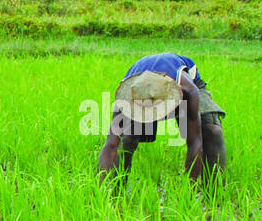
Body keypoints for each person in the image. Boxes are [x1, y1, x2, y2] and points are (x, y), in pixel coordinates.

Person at [97, 53, 226, 184]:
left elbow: (194, 142)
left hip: (183, 84)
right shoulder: (125, 98)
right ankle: (117, 192)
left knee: (212, 131)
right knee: (127, 138)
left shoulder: (189, 90)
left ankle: (214, 191)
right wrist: (99, 189)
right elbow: (111, 145)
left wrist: (189, 193)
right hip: (142, 91)